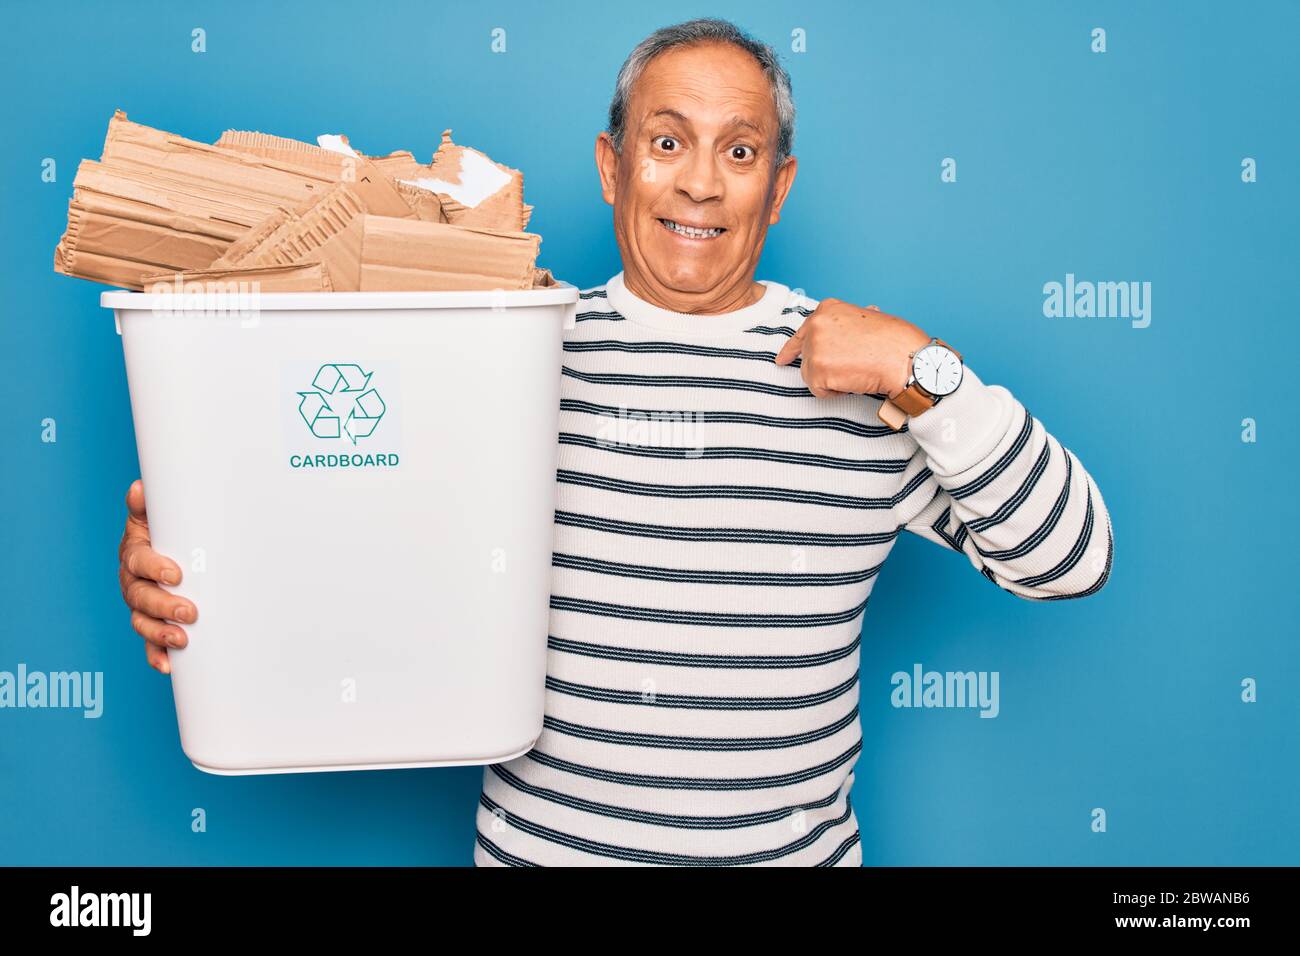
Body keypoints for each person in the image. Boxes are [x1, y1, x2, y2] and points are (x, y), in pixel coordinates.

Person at [118, 17, 1113, 866]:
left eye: (740, 150)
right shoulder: (495, 351)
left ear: (779, 184)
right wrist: (190, 558)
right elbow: (344, 516)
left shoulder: (858, 371)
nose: (702, 186)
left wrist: (924, 370)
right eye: (668, 142)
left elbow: (1070, 559)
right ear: (611, 165)